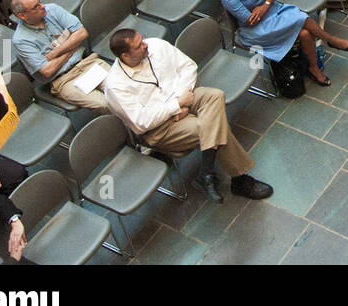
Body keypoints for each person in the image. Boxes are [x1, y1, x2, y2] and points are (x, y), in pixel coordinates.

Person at [104, 30, 273, 204]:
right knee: (208, 126)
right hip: (160, 128)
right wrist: (176, 106)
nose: (146, 44)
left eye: (143, 39)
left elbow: (188, 66)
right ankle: (239, 179)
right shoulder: (116, 86)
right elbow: (142, 122)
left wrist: (181, 102)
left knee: (214, 96)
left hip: (185, 97)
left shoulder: (156, 45)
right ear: (125, 55)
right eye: (139, 46)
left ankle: (206, 173)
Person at [220, 0, 348, 87]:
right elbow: (252, 20)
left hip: (271, 11)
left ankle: (314, 67)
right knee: (301, 18)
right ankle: (331, 41)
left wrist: (265, 5)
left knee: (305, 32)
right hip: (256, 30)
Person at [10, 0, 111, 111]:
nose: (42, 6)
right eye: (36, 6)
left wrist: (54, 54)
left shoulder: (52, 9)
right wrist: (72, 46)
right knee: (104, 104)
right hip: (64, 80)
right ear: (22, 15)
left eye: (40, 1)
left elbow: (82, 33)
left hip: (87, 63)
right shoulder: (21, 40)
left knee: (120, 87)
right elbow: (47, 71)